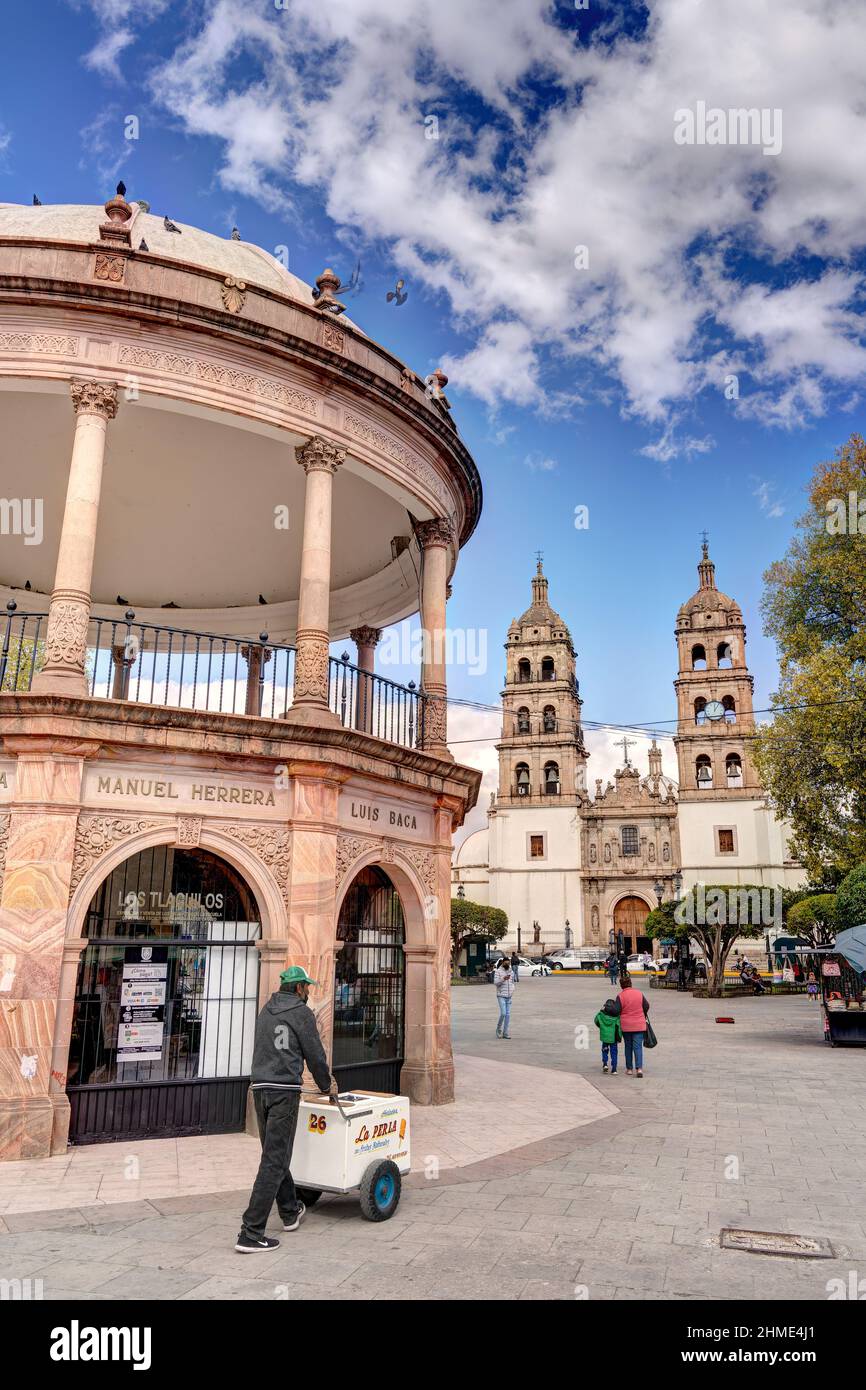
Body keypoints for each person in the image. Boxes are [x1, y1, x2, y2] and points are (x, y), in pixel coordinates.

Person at [236, 965, 338, 1254]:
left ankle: (290, 1212)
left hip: (260, 1089)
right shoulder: (301, 1013)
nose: (308, 991)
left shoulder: (266, 1010)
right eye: (306, 987)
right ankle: (251, 1232)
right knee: (274, 1161)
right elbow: (315, 1055)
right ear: (298, 988)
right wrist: (326, 1084)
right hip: (283, 1092)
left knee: (274, 1155)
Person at [615, 971, 649, 1077]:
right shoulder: (639, 993)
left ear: (621, 986)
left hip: (626, 1026)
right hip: (639, 1024)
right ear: (631, 983)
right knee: (638, 1047)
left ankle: (629, 1069)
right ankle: (639, 1069)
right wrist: (641, 1014)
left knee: (628, 1047)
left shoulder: (620, 996)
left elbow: (617, 1010)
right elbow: (646, 1005)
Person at [594, 998, 622, 1074]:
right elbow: (619, 1027)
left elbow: (596, 1020)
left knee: (604, 1050)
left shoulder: (601, 1014)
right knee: (614, 1052)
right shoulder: (616, 1016)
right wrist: (619, 1037)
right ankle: (614, 1069)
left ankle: (605, 1064)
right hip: (613, 1038)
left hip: (604, 1037)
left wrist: (601, 1027)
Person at [494, 956, 515, 1038]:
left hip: (509, 996)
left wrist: (513, 990)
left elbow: (512, 982)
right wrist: (503, 979)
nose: (507, 964)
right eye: (506, 962)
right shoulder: (498, 971)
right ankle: (498, 1028)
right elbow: (496, 983)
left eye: (508, 963)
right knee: (503, 1013)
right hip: (501, 995)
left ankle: (505, 1033)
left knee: (508, 1015)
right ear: (503, 963)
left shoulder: (511, 971)